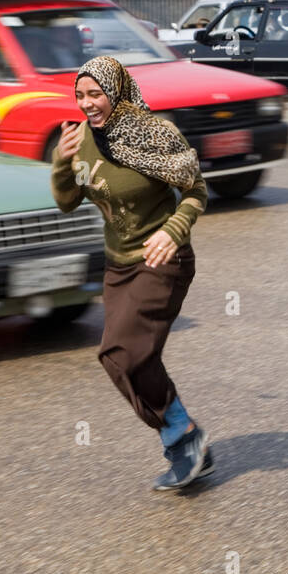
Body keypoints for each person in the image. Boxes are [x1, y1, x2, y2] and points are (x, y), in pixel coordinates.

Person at [51, 55, 213, 490]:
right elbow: (67, 201)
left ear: (116, 92)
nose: (87, 103)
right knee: (126, 359)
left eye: (96, 94)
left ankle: (181, 435)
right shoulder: (79, 139)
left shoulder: (155, 133)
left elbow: (196, 189)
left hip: (163, 259)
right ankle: (184, 436)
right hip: (118, 263)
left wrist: (173, 232)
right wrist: (61, 163)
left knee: (121, 352)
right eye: (80, 95)